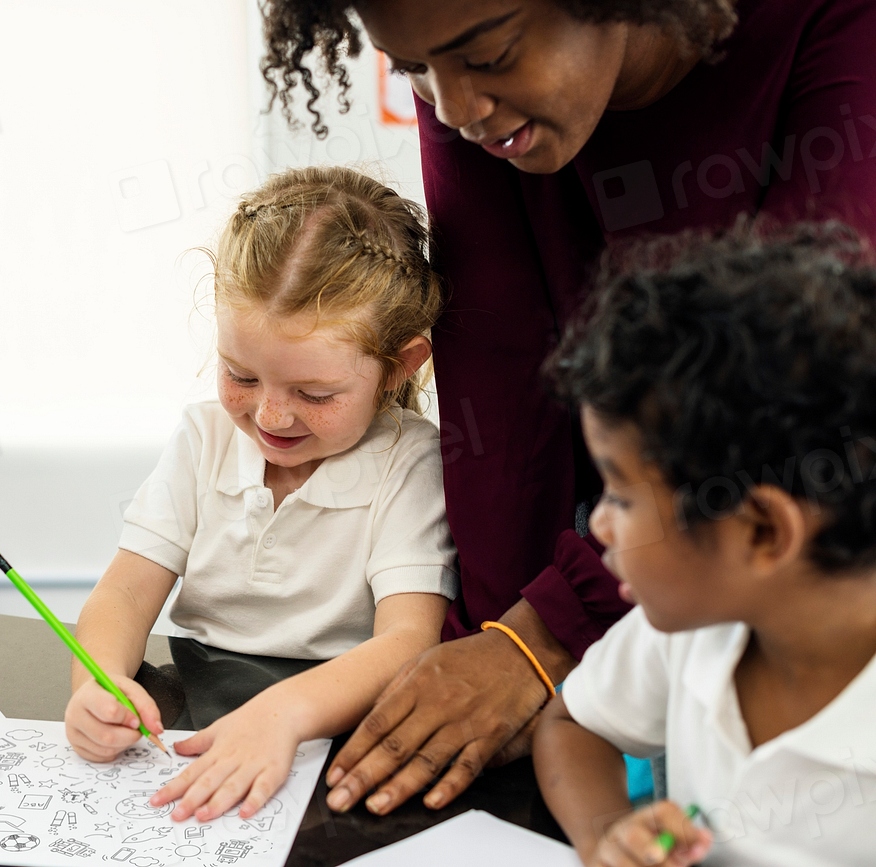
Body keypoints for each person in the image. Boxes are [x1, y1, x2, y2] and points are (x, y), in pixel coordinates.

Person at [258, 0, 876, 814]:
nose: (452, 110)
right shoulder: (466, 77)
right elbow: (501, 378)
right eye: (412, 70)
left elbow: (799, 395)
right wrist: (492, 642)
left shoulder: (840, 29)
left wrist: (544, 635)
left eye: (489, 55)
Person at [64, 166, 456, 822]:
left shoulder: (409, 462)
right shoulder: (202, 438)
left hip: (336, 731)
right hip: (193, 719)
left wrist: (284, 713)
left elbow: (409, 643)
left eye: (314, 393)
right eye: (241, 374)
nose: (272, 416)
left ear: (399, 367)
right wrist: (96, 683)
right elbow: (127, 590)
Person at [533, 224, 876, 865]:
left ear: (761, 531)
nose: (598, 525)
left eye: (623, 497)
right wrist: (606, 832)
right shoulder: (691, 627)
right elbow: (571, 724)